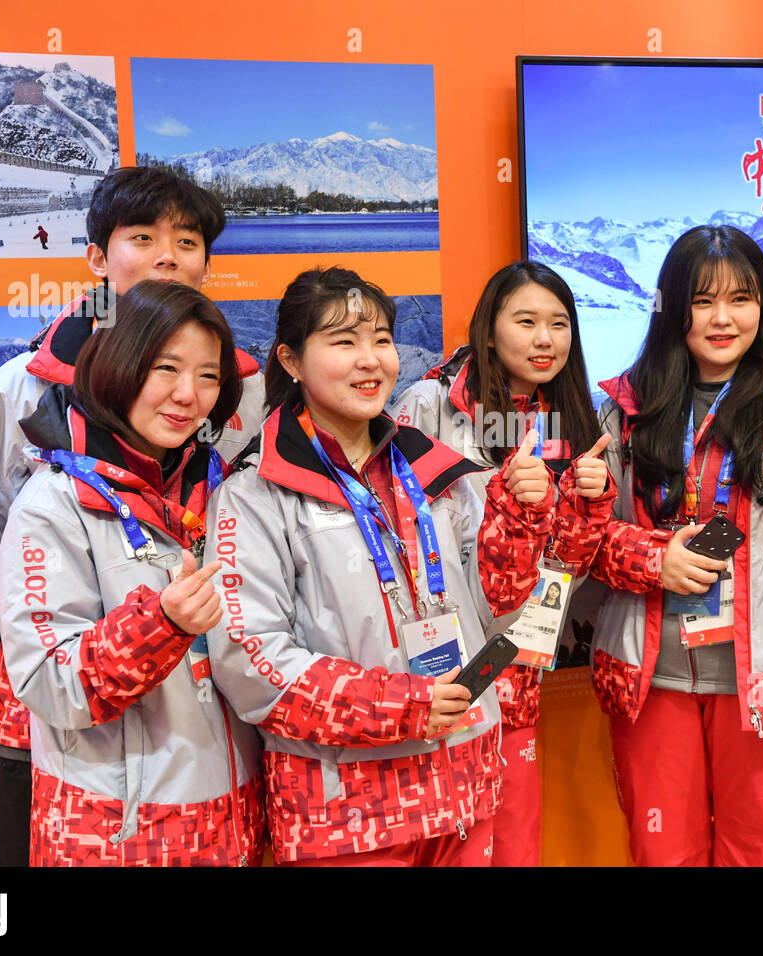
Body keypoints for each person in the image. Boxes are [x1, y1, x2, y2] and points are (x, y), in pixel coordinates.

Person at [0, 166, 265, 867]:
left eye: (188, 240)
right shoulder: (28, 381)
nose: (168, 255)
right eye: (143, 237)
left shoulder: (240, 388)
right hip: (55, 696)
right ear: (98, 259)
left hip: (200, 704)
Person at [205, 266, 556, 866]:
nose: (371, 360)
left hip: (463, 776)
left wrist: (519, 520)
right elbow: (252, 662)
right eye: (344, 342)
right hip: (347, 808)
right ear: (291, 360)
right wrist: (403, 704)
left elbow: (500, 606)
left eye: (383, 340)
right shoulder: (254, 493)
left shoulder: (435, 473)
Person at [586, 225, 763, 866]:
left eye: (741, 299)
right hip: (652, 674)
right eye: (701, 300)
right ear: (671, 307)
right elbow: (580, 545)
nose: (723, 319)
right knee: (663, 855)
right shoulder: (623, 406)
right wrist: (652, 558)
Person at [0, 280, 264, 865]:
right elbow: (50, 685)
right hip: (113, 829)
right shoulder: (52, 503)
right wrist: (161, 625)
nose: (188, 395)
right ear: (118, 365)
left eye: (210, 376)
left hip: (232, 818)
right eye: (165, 367)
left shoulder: (224, 492)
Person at [393, 260, 615, 866]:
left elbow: (567, 562)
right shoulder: (430, 402)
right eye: (526, 322)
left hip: (520, 658)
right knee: (448, 837)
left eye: (559, 324)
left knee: (514, 838)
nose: (546, 340)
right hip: (439, 661)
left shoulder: (572, 414)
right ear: (488, 330)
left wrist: (587, 504)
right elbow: (404, 531)